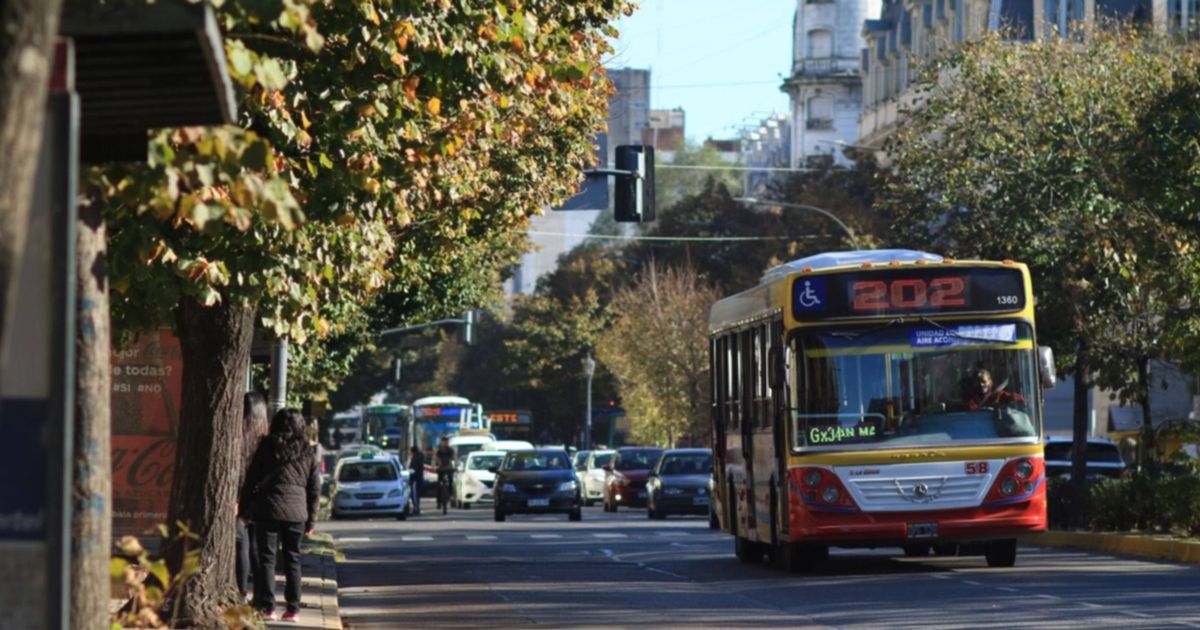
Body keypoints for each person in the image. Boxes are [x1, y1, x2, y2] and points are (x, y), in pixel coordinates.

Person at [241, 408, 321, 622]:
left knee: (267, 559)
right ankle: (293, 609)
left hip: (268, 509)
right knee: (292, 559)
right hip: (297, 512)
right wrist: (311, 520)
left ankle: (268, 607)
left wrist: (244, 509)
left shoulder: (266, 447)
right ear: (300, 426)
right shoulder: (307, 451)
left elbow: (251, 479)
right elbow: (314, 488)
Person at [235, 391, 269, 602]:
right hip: (260, 500)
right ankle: (261, 595)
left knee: (242, 545)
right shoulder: (266, 441)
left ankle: (241, 592)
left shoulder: (235, 439)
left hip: (238, 498)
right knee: (258, 547)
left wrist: (237, 499)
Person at [435, 437, 456, 506]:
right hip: (441, 468)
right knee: (439, 484)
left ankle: (451, 496)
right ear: (441, 442)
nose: (445, 443)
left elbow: (453, 458)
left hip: (448, 468)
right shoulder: (439, 450)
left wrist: (454, 465)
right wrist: (436, 465)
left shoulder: (450, 450)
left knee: (450, 481)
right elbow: (436, 458)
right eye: (444, 442)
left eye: (446, 442)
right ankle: (438, 501)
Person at [408, 446, 425, 515]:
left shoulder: (415, 459)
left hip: (415, 479)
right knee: (416, 495)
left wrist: (410, 474)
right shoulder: (419, 457)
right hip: (419, 478)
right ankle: (416, 508)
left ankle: (416, 509)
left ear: (413, 452)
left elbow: (413, 470)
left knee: (414, 495)